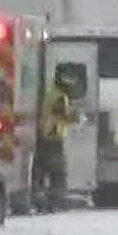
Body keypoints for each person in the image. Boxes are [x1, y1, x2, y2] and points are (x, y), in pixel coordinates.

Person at [33, 70, 80, 211]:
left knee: (44, 170)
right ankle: (56, 201)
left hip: (46, 135)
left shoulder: (52, 94)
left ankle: (43, 199)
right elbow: (65, 115)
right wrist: (75, 116)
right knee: (57, 172)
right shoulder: (60, 97)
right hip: (53, 137)